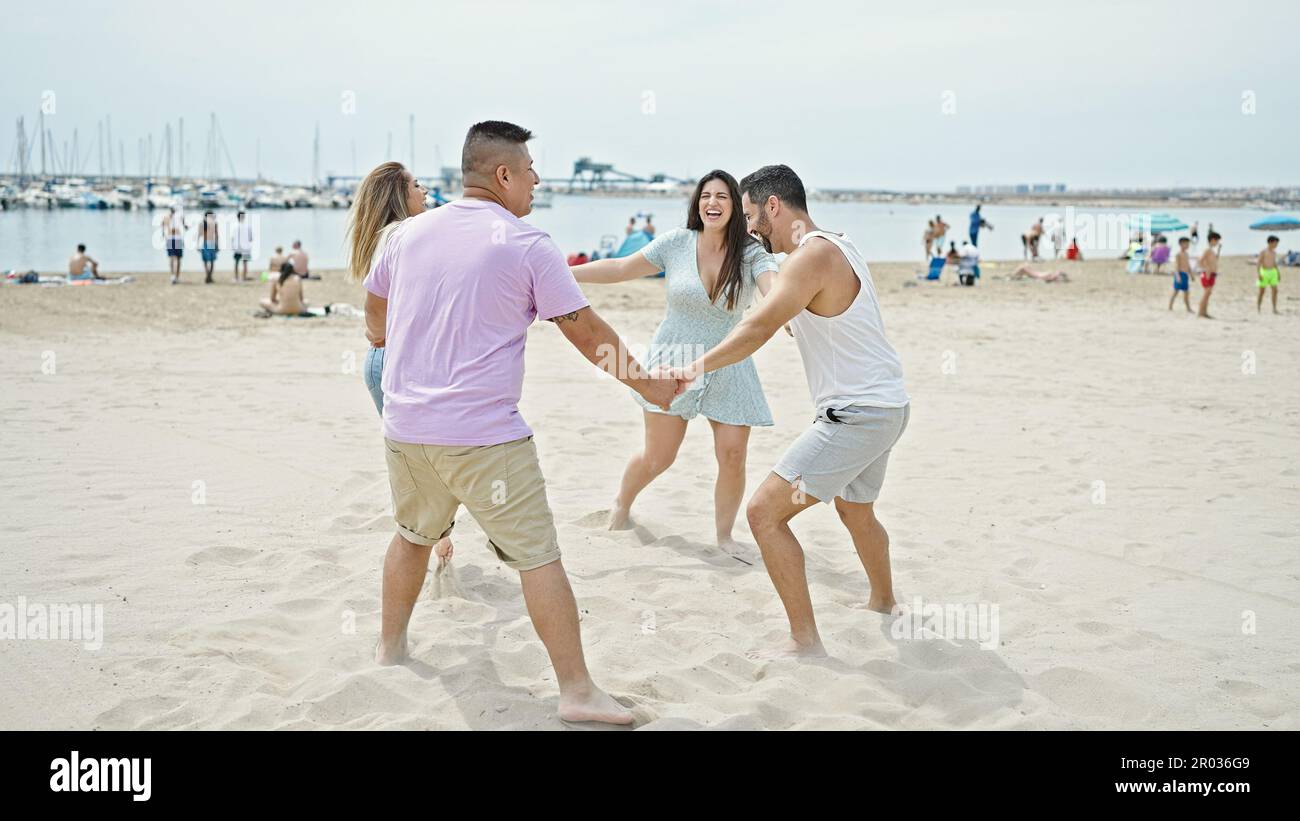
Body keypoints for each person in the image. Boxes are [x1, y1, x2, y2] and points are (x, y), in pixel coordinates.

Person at [365, 120, 682, 724]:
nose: (536, 180)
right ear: (503, 174)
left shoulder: (401, 238)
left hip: (406, 429)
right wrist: (649, 384)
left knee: (411, 535)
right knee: (538, 557)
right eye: (531, 170)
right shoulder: (527, 244)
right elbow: (586, 334)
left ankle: (390, 650)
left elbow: (375, 321)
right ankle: (577, 691)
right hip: (484, 437)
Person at [669, 165, 909, 659]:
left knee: (764, 514)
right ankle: (884, 602)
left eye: (754, 216)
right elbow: (791, 308)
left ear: (774, 205)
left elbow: (756, 330)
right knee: (855, 510)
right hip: (887, 407)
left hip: (856, 415)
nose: (752, 228)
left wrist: (695, 368)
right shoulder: (837, 245)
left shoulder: (810, 257)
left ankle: (804, 641)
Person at [572, 170, 780, 556]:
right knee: (658, 457)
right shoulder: (676, 243)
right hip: (673, 359)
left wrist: (781, 309)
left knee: (733, 456)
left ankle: (723, 537)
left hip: (729, 361)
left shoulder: (751, 253)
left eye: (722, 196)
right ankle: (622, 503)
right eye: (705, 196)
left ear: (735, 206)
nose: (712, 203)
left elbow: (772, 288)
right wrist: (562, 274)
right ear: (696, 203)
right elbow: (619, 269)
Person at [347, 162, 455, 566]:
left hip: (380, 361)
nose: (424, 190)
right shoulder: (404, 235)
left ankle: (433, 537)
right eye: (416, 185)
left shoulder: (384, 238)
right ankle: (434, 539)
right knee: (437, 459)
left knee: (416, 463)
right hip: (399, 361)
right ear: (398, 195)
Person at [1197, 231, 1222, 318]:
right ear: (1212, 240)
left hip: (1212, 274)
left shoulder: (1212, 251)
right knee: (1206, 293)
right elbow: (1200, 261)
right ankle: (1200, 312)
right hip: (1207, 274)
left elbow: (1214, 261)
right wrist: (1206, 269)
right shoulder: (1207, 250)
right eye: (1217, 240)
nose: (1217, 242)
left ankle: (1204, 312)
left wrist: (1219, 250)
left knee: (1208, 294)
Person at [1257, 235, 1281, 315]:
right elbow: (1259, 263)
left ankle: (1274, 308)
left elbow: (1274, 263)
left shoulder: (1274, 252)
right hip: (1264, 272)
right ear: (1270, 242)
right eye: (1275, 243)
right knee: (1262, 291)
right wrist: (1259, 274)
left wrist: (1278, 273)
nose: (1276, 245)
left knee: (1275, 291)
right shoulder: (1263, 251)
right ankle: (1258, 307)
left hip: (1273, 272)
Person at [1170, 236, 1193, 312]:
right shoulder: (1178, 254)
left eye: (1188, 244)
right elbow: (1176, 266)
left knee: (1186, 292)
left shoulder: (1186, 254)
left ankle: (1188, 308)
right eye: (1186, 244)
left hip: (1186, 275)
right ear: (1181, 244)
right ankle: (1170, 307)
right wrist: (1178, 276)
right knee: (1175, 292)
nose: (1188, 245)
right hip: (1180, 274)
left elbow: (1188, 265)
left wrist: (1191, 275)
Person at [163, 206, 185, 284]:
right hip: (177, 238)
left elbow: (163, 229)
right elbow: (184, 226)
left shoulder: (166, 217)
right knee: (177, 259)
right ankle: (176, 276)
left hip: (169, 238)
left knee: (172, 258)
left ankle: (173, 276)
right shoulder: (179, 216)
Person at [231, 211, 255, 281]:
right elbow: (251, 238)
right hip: (246, 248)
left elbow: (232, 238)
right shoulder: (248, 226)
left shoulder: (234, 226)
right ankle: (244, 277)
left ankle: (236, 277)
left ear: (237, 217)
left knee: (236, 263)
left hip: (237, 248)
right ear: (244, 217)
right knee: (245, 263)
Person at [198, 210, 219, 283]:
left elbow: (199, 235)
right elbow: (216, 235)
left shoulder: (202, 223)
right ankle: (209, 276)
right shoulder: (214, 223)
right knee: (212, 261)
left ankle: (208, 276)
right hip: (212, 242)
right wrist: (217, 245)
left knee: (205, 261)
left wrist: (198, 245)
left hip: (205, 242)